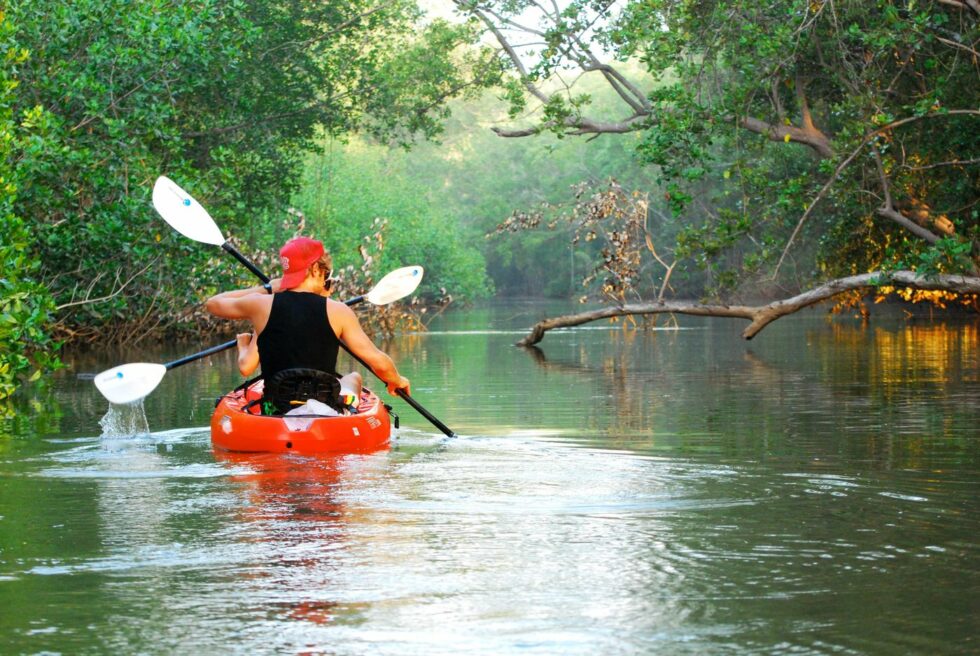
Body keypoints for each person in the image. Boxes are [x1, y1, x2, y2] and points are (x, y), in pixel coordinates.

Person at [205, 237, 410, 411]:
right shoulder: (338, 311)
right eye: (326, 273)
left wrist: (267, 288)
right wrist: (397, 380)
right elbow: (378, 361)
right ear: (314, 270)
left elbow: (214, 304)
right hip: (326, 408)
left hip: (275, 408)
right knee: (353, 377)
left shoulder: (259, 304)